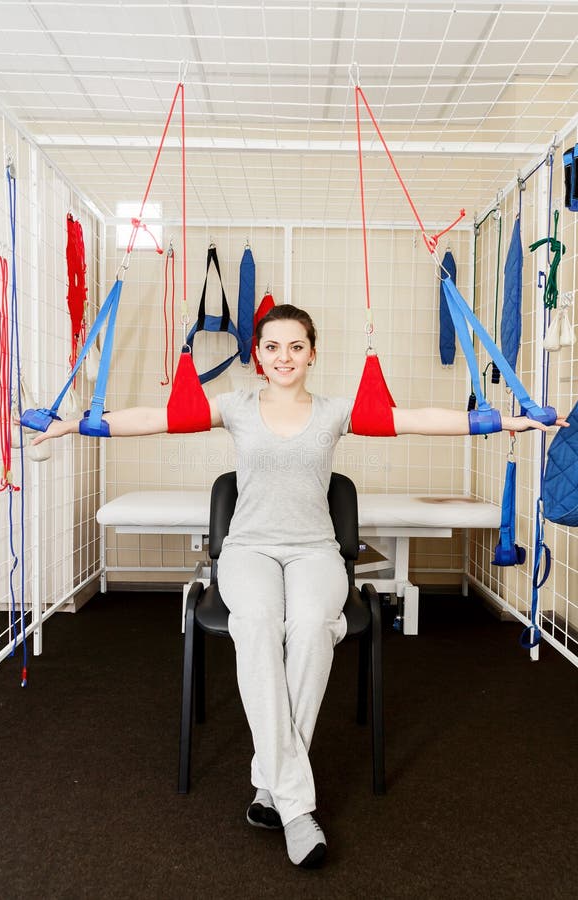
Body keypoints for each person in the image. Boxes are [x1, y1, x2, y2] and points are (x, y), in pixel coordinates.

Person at [32, 303, 566, 868]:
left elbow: (413, 417)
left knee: (314, 627)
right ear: (257, 355)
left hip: (316, 549)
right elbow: (154, 417)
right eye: (272, 347)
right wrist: (74, 424)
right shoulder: (236, 407)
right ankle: (295, 808)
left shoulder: (336, 411)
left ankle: (272, 782)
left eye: (295, 347)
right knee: (257, 625)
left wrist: (500, 421)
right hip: (248, 549)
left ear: (312, 353)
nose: (283, 357)